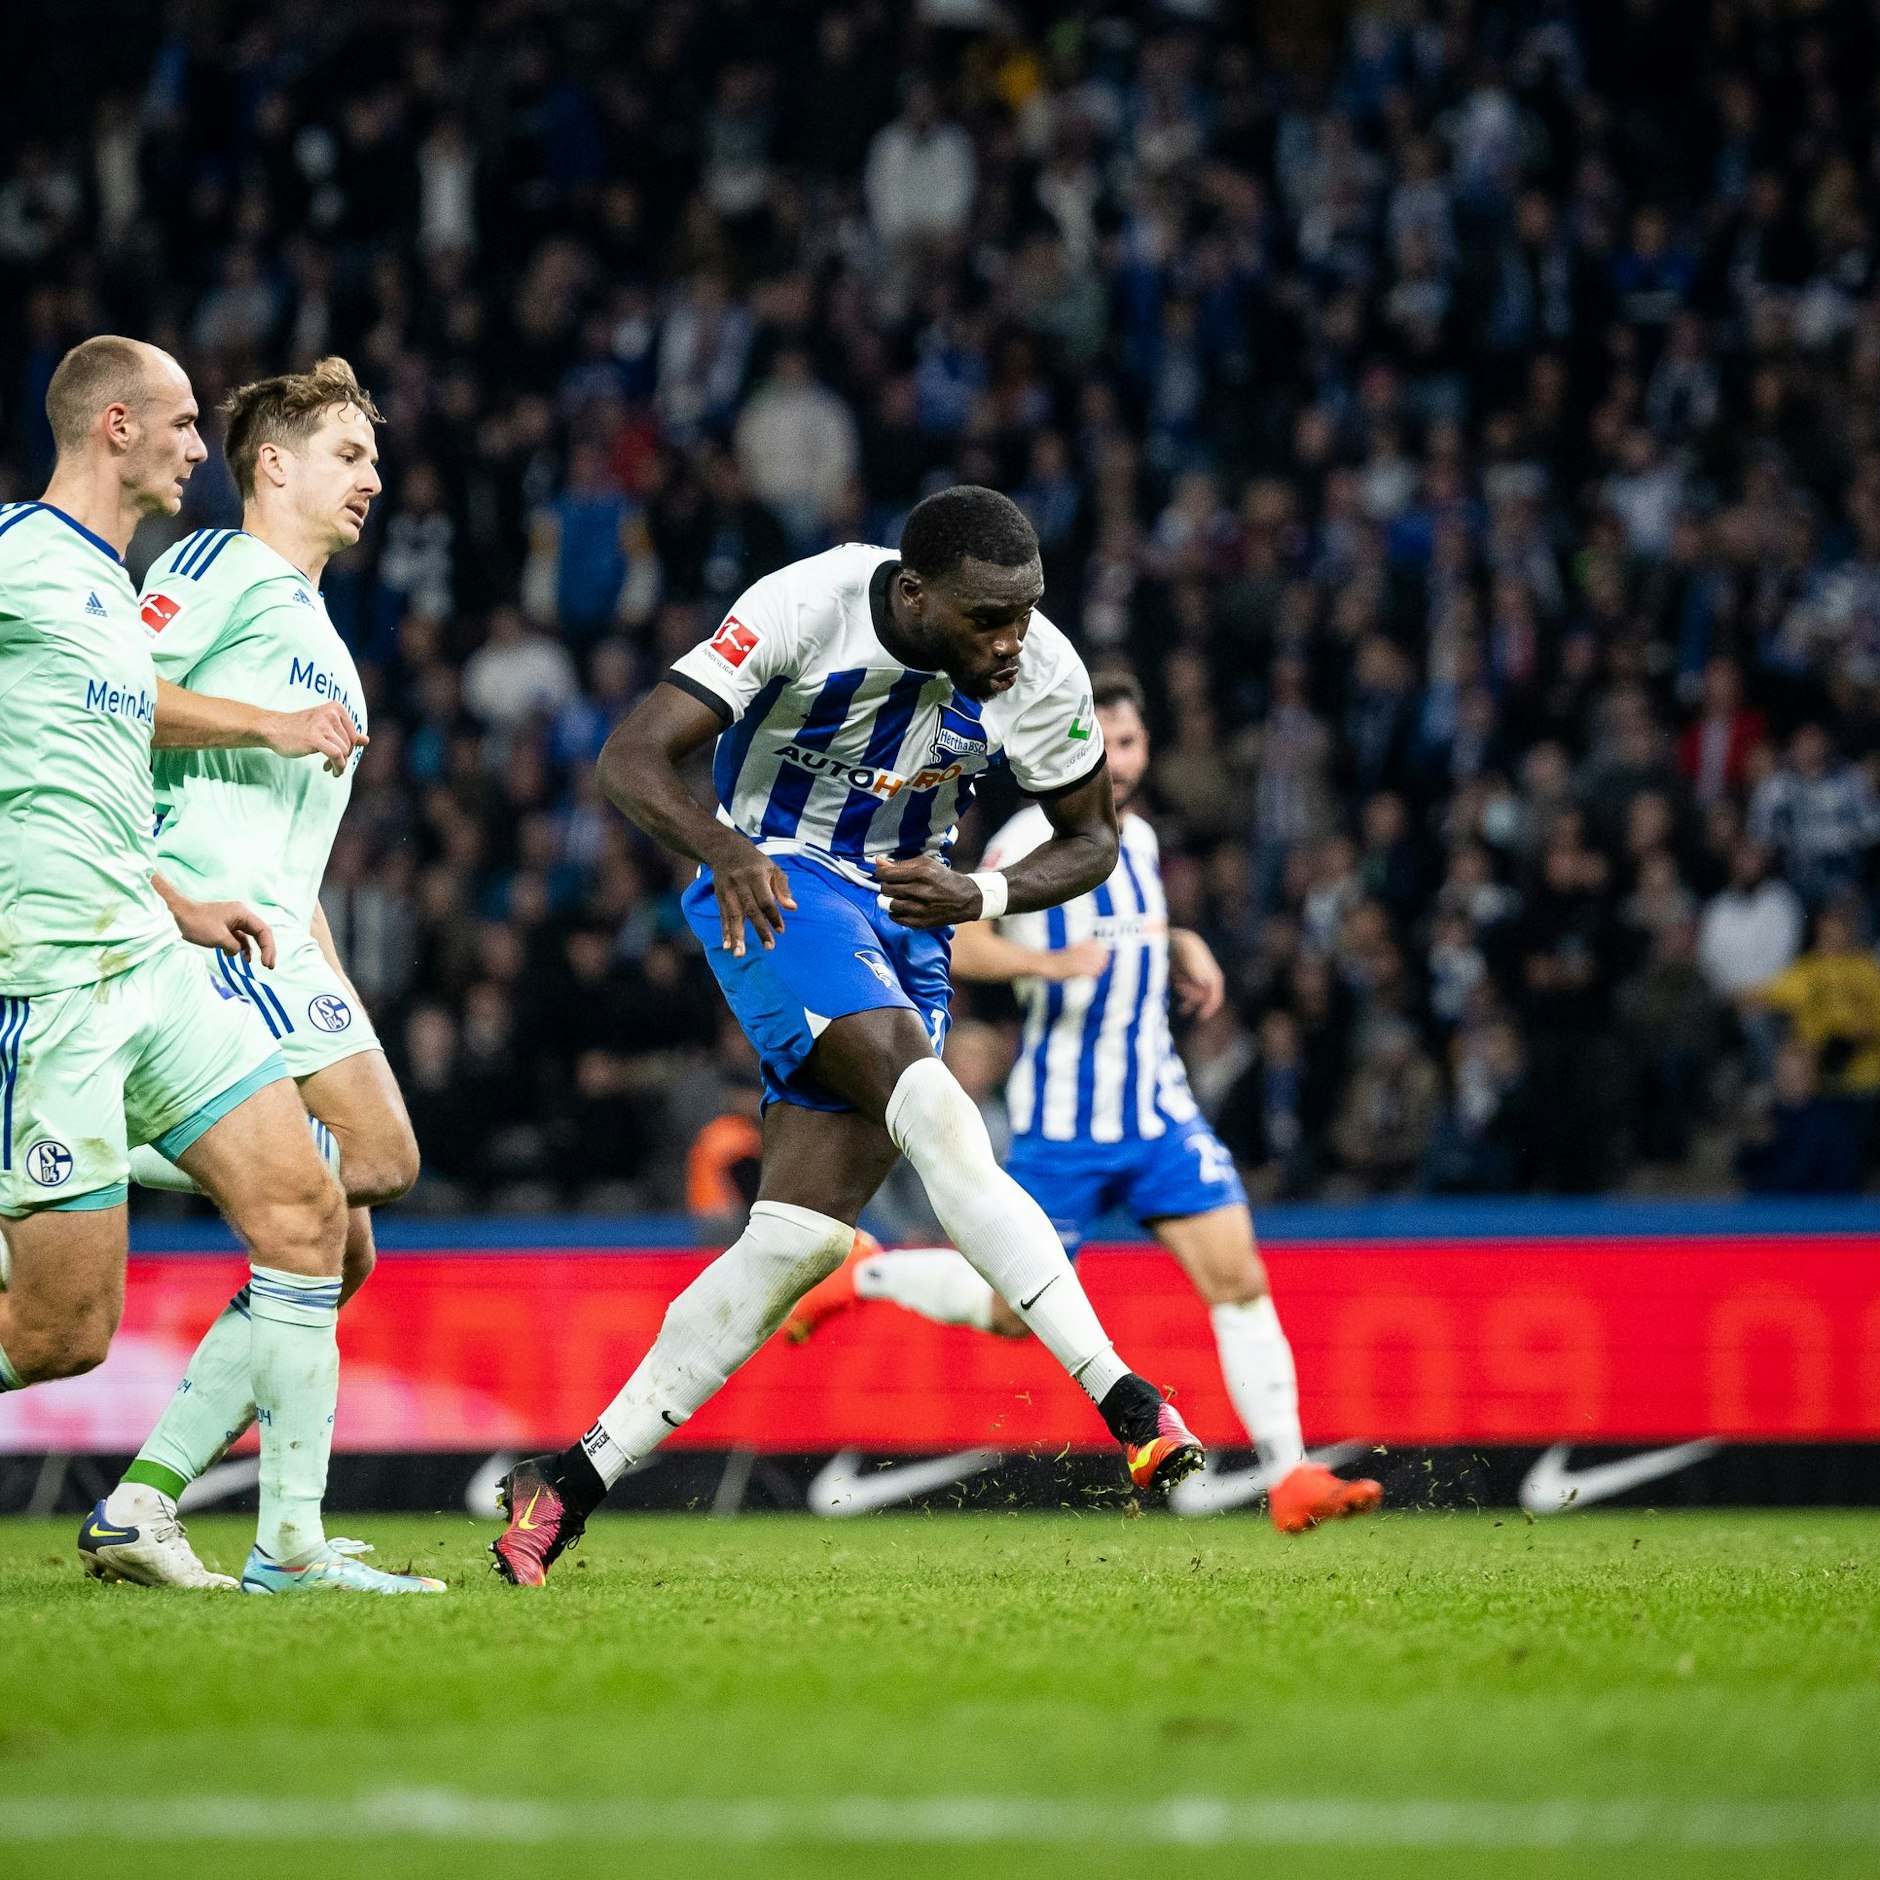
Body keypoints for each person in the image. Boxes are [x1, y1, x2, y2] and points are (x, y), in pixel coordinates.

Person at [489, 486, 1205, 1585]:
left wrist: (981, 892)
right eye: (985, 620)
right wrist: (723, 848)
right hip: (780, 887)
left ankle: (568, 1480)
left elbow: (1091, 838)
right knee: (933, 1108)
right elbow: (632, 756)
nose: (1011, 643)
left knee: (798, 1241)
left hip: (909, 918)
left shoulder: (1042, 667)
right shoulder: (804, 604)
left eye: (1025, 613)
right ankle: (1127, 1398)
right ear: (914, 594)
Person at [0, 336, 438, 1597]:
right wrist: (259, 730)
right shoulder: (210, 563)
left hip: (224, 929)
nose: (371, 481)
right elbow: (135, 697)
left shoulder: (294, 610)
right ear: (275, 465)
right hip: (125, 941)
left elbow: (134, 724)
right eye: (349, 457)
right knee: (79, 1320)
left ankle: (189, 1513)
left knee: (333, 1235)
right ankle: (74, 1158)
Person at [784, 673, 1382, 1532]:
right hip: (1064, 1123)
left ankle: (1290, 1475)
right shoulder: (1032, 837)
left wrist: (1183, 942)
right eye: (1107, 743)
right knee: (1009, 1314)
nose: (1124, 761)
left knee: (1239, 1279)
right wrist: (1043, 965)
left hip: (1157, 1113)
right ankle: (866, 1271)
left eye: (1134, 743)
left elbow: (1123, 930)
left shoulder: (1137, 840)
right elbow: (961, 939)